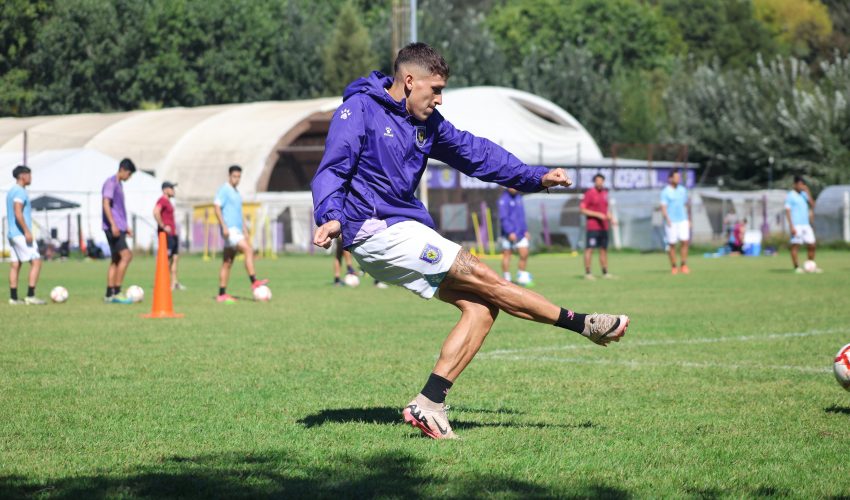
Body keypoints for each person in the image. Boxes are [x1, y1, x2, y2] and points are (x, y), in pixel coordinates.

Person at [311, 43, 629, 440]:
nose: (439, 99)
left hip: (403, 229)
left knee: (482, 308)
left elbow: (477, 153)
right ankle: (583, 324)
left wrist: (535, 177)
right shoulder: (359, 109)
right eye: (436, 89)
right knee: (482, 273)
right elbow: (333, 167)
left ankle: (429, 403)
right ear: (409, 81)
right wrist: (330, 215)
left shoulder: (428, 123)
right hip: (375, 229)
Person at [213, 165, 268, 303]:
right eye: (234, 176)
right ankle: (254, 281)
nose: (236, 179)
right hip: (230, 230)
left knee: (227, 262)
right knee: (248, 249)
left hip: (237, 230)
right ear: (229, 176)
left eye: (239, 177)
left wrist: (244, 229)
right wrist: (223, 226)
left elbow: (238, 213)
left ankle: (221, 294)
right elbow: (216, 207)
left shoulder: (236, 193)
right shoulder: (224, 190)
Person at [6, 165, 45, 305]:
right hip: (20, 234)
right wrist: (27, 231)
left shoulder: (11, 191)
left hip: (12, 234)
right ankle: (30, 295)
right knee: (36, 262)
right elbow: (18, 212)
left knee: (15, 264)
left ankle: (13, 298)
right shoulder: (20, 192)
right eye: (29, 175)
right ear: (22, 176)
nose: (31, 177)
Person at [102, 158, 136, 303]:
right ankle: (117, 291)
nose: (129, 177)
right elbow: (106, 203)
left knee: (116, 260)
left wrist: (125, 226)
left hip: (119, 226)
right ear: (122, 169)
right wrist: (113, 225)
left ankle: (109, 294)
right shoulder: (111, 183)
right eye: (129, 174)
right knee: (127, 256)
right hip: (113, 227)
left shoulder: (119, 184)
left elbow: (118, 209)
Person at [580, 173, 616, 280]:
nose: (599, 182)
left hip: (604, 227)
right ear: (594, 182)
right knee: (589, 249)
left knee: (603, 249)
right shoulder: (589, 193)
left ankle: (605, 272)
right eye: (597, 181)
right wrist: (597, 215)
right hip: (593, 227)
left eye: (601, 181)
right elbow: (582, 210)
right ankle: (588, 273)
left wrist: (611, 217)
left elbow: (606, 209)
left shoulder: (605, 193)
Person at [153, 181, 185, 290]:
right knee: (166, 259)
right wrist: (163, 226)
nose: (173, 190)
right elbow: (156, 212)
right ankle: (163, 283)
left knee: (175, 258)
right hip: (166, 235)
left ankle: (174, 283)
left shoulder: (168, 202)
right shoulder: (162, 200)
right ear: (165, 190)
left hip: (173, 234)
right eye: (171, 188)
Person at [498, 188, 533, 286]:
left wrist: (525, 230)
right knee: (507, 255)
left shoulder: (519, 198)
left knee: (524, 254)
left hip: (521, 233)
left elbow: (522, 216)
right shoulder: (503, 200)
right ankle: (507, 278)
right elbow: (503, 218)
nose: (513, 188)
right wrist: (509, 231)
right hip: (508, 234)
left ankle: (521, 276)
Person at [785, 176, 820, 273]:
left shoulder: (804, 194)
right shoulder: (790, 195)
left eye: (803, 184)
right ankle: (796, 267)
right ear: (795, 185)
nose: (801, 186)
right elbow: (787, 211)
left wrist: (808, 192)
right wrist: (791, 226)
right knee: (796, 245)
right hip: (796, 224)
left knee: (812, 244)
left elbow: (813, 205)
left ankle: (811, 265)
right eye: (800, 184)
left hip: (806, 224)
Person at [660, 169, 691, 274]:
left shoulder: (682, 190)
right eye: (676, 177)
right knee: (671, 244)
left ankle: (683, 265)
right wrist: (667, 218)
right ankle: (674, 266)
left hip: (683, 220)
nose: (678, 179)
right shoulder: (665, 192)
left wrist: (689, 219)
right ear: (670, 179)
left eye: (679, 177)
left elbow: (686, 205)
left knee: (685, 242)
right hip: (671, 221)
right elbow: (663, 207)